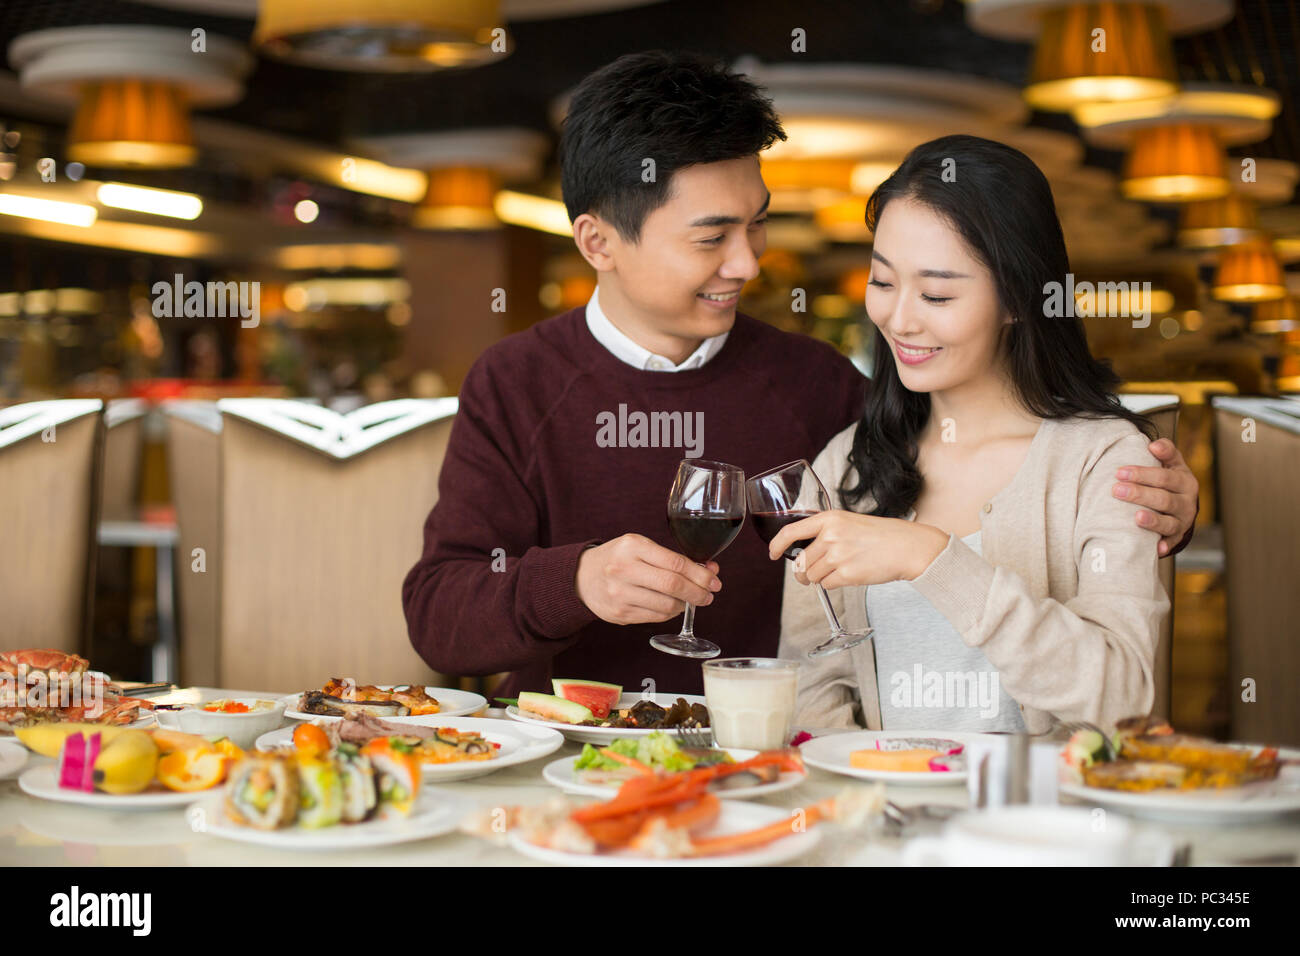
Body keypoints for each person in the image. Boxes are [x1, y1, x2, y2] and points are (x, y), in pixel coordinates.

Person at [403, 53, 1198, 701]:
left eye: (756, 225)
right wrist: (571, 582)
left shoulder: (815, 385)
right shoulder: (515, 383)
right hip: (570, 763)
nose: (748, 264)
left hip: (772, 768)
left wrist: (1156, 510)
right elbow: (439, 618)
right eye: (712, 237)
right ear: (598, 241)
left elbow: (959, 465)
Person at [774, 135, 1184, 733]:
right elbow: (811, 680)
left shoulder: (1103, 461)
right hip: (884, 818)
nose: (899, 317)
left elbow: (1122, 694)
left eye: (937, 293)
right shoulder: (846, 463)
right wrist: (878, 786)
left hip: (1041, 820)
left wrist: (933, 559)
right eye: (883, 282)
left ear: (1019, 298)